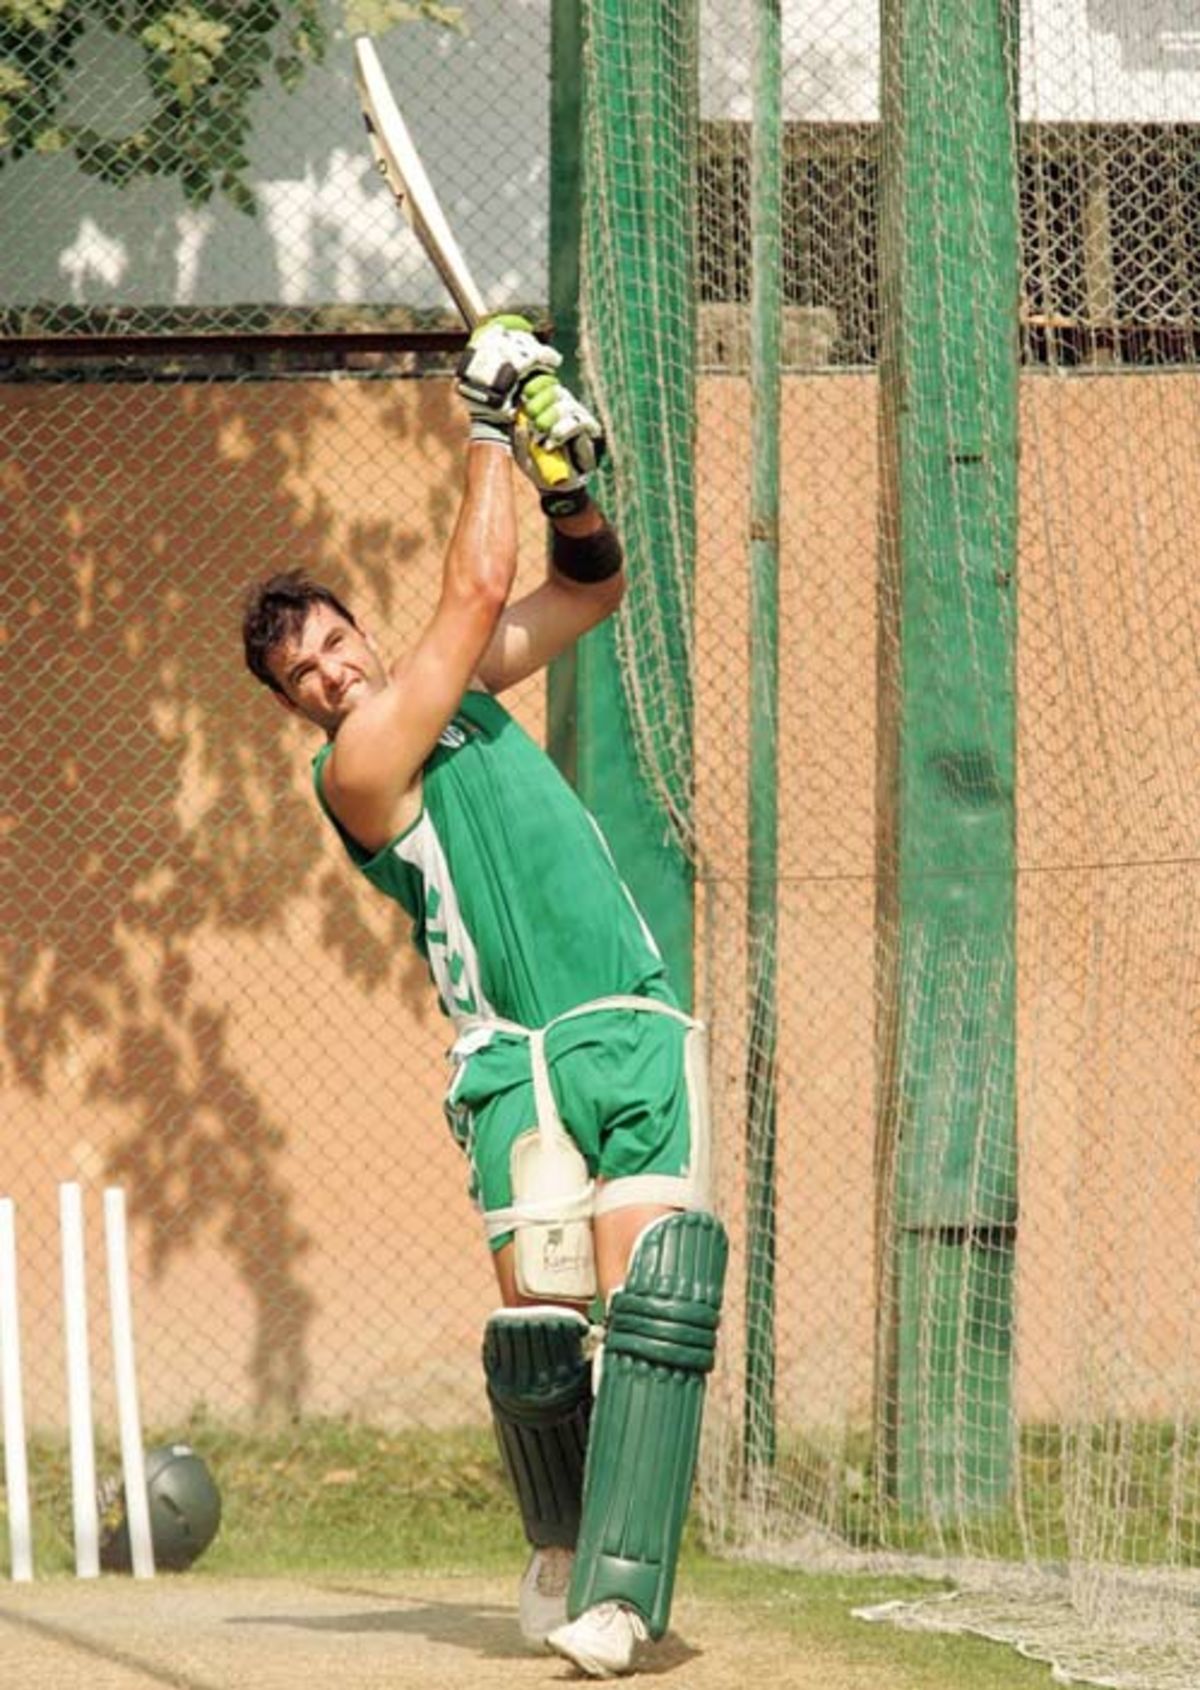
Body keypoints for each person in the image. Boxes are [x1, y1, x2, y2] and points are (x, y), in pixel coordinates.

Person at [242, 317, 727, 1678]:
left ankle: (619, 1597)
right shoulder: (362, 764)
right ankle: (563, 1542)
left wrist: (567, 485)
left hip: (616, 1014)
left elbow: (587, 591)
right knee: (538, 1328)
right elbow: (471, 592)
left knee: (654, 1307)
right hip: (509, 1059)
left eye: (334, 643)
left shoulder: (442, 690)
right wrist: (489, 418)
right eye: (307, 679)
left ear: (354, 625)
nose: (333, 673)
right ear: (300, 709)